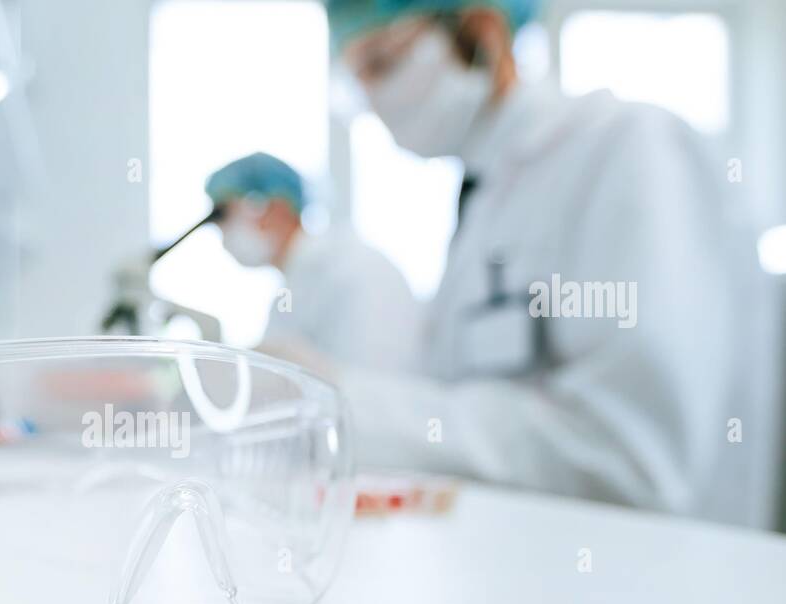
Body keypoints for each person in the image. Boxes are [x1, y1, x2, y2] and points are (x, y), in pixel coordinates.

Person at [323, 0, 782, 528]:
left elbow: (634, 458)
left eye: (382, 63)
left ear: (482, 30)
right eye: (357, 80)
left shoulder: (629, 148)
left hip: (660, 583)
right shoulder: (485, 200)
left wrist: (350, 404)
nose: (375, 100)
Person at [205, 152, 422, 373]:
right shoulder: (288, 294)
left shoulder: (352, 266)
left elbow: (374, 388)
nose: (222, 233)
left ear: (273, 207)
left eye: (224, 216)